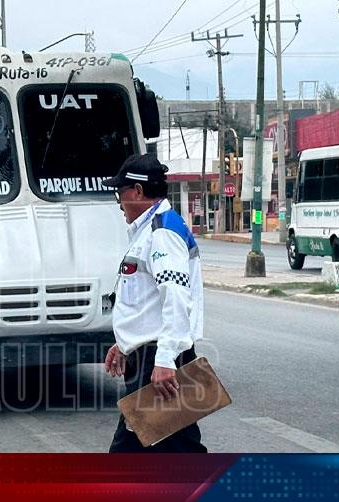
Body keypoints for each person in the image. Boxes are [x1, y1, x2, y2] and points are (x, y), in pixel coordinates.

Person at [101, 153, 206, 453]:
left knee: (172, 452)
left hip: (158, 361)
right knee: (170, 450)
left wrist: (164, 361)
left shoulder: (162, 232)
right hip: (149, 357)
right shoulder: (148, 231)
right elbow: (145, 301)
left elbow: (175, 296)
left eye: (120, 193)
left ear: (137, 191)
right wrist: (125, 343)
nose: (119, 202)